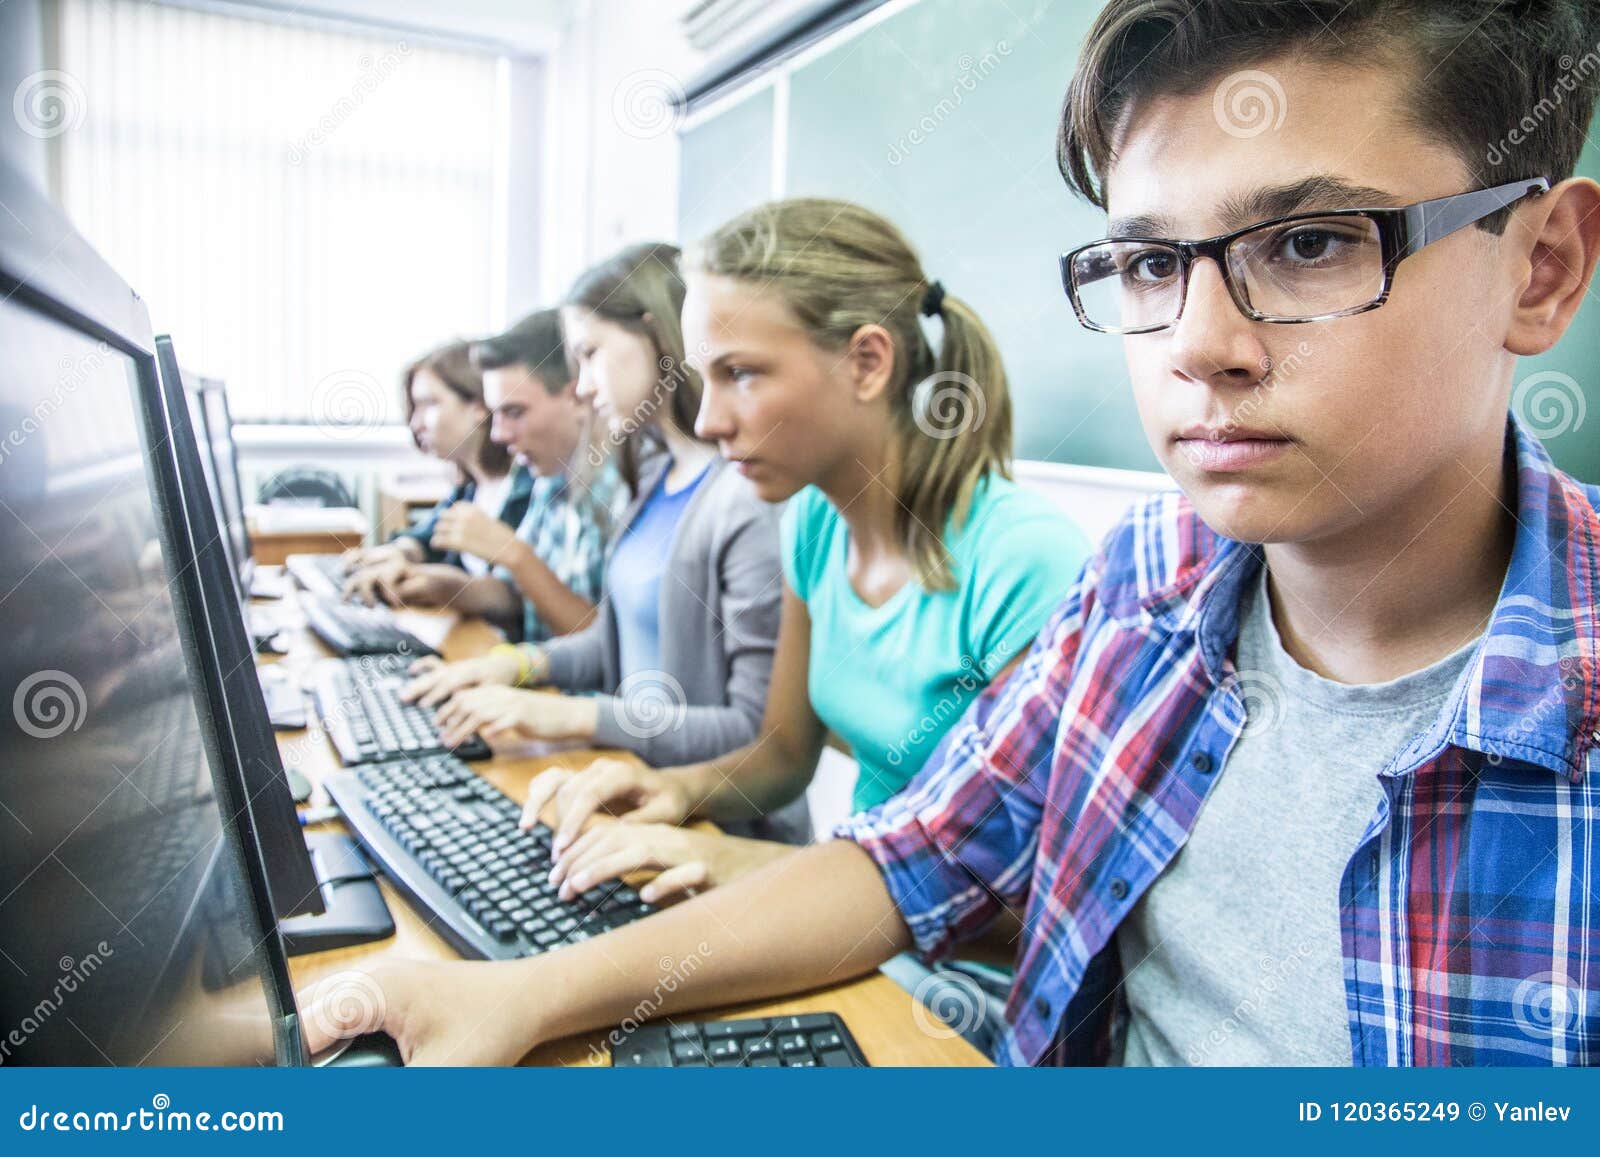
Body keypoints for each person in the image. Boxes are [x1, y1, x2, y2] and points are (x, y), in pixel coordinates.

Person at [306, 0, 1600, 1067]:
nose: (1201, 344)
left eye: (1311, 243)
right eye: (1150, 265)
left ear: (1539, 268)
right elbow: (910, 859)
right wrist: (523, 996)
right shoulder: (1152, 584)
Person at [516, 200, 1089, 935]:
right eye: (704, 377)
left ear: (867, 361)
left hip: (970, 985)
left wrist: (741, 867)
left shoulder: (1024, 562)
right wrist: (667, 789)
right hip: (863, 929)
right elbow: (784, 754)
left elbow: (1031, 894)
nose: (707, 420)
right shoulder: (814, 527)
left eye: (741, 374)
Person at [403, 245, 796, 795]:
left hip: (709, 820)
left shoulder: (744, 498)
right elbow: (607, 643)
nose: (583, 386)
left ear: (657, 338)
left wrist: (574, 718)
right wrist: (511, 667)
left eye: (590, 354)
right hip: (629, 787)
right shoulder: (654, 477)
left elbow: (750, 737)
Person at [354, 311, 619, 643]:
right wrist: (449, 588)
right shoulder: (551, 481)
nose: (498, 434)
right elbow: (521, 598)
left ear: (576, 397)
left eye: (514, 412)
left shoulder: (617, 490)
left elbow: (602, 646)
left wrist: (515, 555)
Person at [342, 341, 530, 599]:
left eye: (429, 404)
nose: (416, 423)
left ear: (478, 406)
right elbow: (427, 537)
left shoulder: (529, 486)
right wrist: (399, 552)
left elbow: (518, 597)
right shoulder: (471, 488)